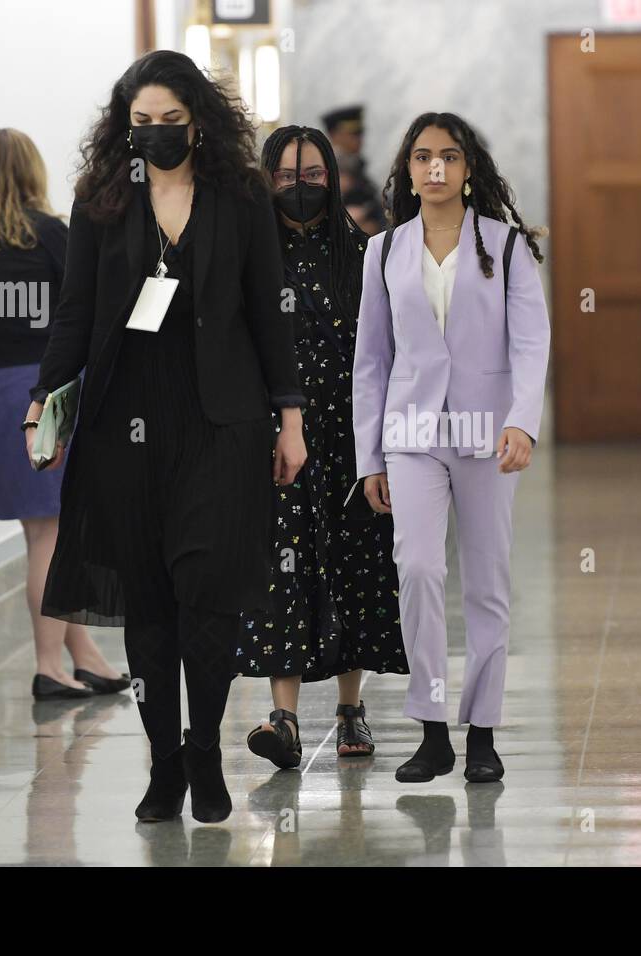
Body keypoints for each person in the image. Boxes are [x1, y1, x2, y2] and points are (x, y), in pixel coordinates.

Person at [23, 50, 307, 824]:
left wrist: (291, 418)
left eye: (168, 123)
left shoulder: (240, 196)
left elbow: (268, 309)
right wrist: (42, 400)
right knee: (149, 607)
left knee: (207, 599)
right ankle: (164, 765)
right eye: (140, 124)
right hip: (126, 425)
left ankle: (206, 751)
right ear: (125, 128)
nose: (153, 135)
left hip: (221, 421)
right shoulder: (101, 201)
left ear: (198, 122)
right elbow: (75, 315)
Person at [353, 112, 551, 784]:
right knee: (418, 570)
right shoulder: (383, 251)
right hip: (411, 434)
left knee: (488, 580)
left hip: (486, 433)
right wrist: (370, 456)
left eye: (449, 157)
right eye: (421, 157)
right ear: (407, 171)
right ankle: (432, 727)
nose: (434, 168)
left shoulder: (506, 245)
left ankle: (484, 732)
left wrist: (523, 421)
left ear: (468, 171)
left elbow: (530, 342)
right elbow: (371, 360)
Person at [0, 128, 129, 702]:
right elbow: (82, 311)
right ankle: (49, 665)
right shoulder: (47, 233)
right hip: (43, 394)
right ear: (31, 172)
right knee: (52, 531)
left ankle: (83, 655)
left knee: (46, 529)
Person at [239, 125, 406, 769]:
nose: (300, 188)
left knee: (357, 566)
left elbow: (390, 352)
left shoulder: (365, 254)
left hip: (353, 435)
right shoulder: (252, 256)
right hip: (280, 437)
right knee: (283, 569)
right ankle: (282, 717)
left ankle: (350, 709)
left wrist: (388, 444)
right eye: (286, 177)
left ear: (332, 180)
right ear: (267, 180)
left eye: (313, 177)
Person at [323, 105, 386, 234]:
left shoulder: (355, 164)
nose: (359, 139)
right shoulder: (329, 168)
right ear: (334, 135)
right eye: (353, 134)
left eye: (360, 133)